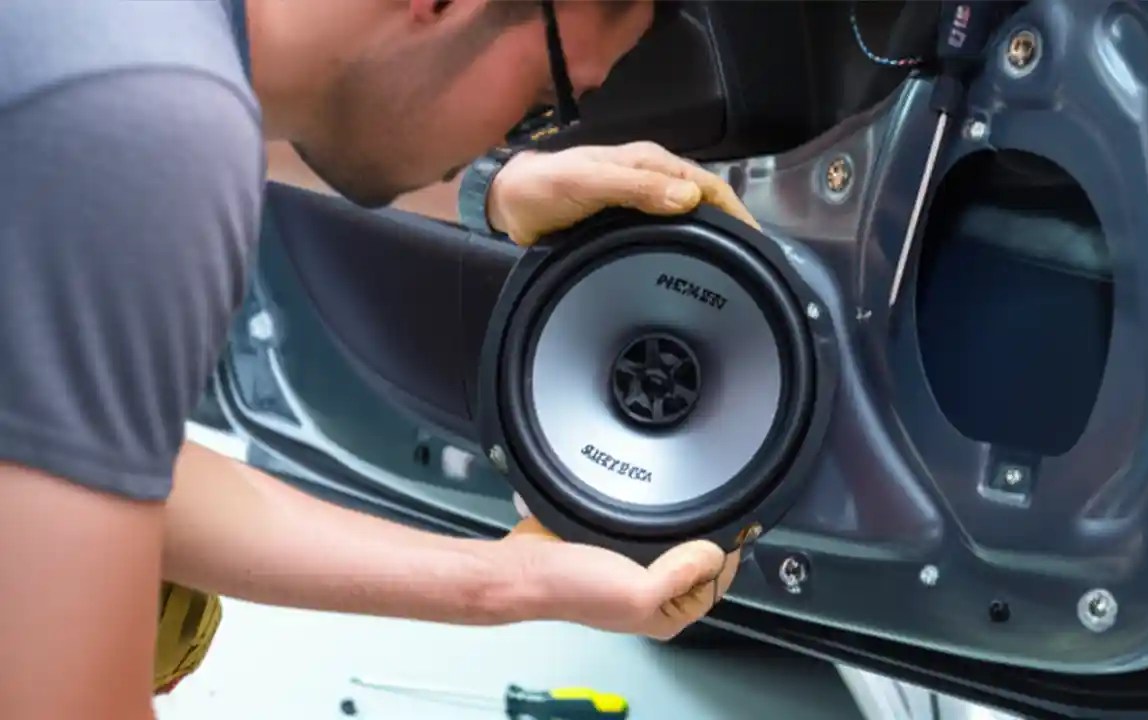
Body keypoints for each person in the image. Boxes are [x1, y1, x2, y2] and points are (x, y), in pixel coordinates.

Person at [0, 1, 761, 718]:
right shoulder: (134, 132)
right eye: (541, 103)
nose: (527, 133)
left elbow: (118, 479)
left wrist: (494, 190)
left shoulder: (117, 48)